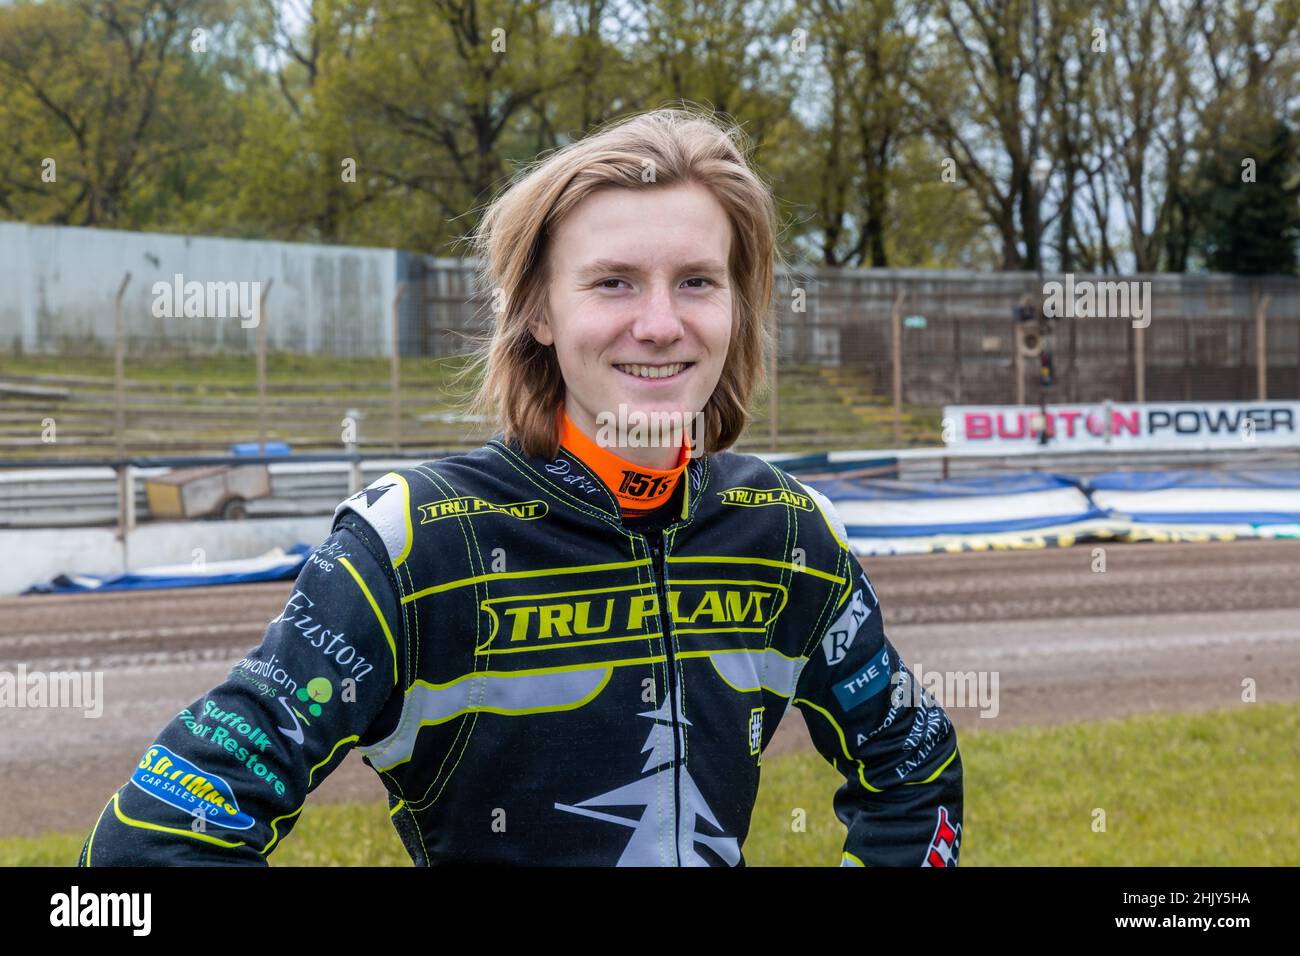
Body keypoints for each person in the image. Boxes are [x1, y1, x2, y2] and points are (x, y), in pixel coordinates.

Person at [79, 106, 962, 867]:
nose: (660, 324)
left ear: (737, 307)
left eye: (697, 282)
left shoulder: (787, 532)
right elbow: (155, 841)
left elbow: (916, 774)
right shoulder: (415, 542)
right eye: (613, 282)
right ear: (538, 312)